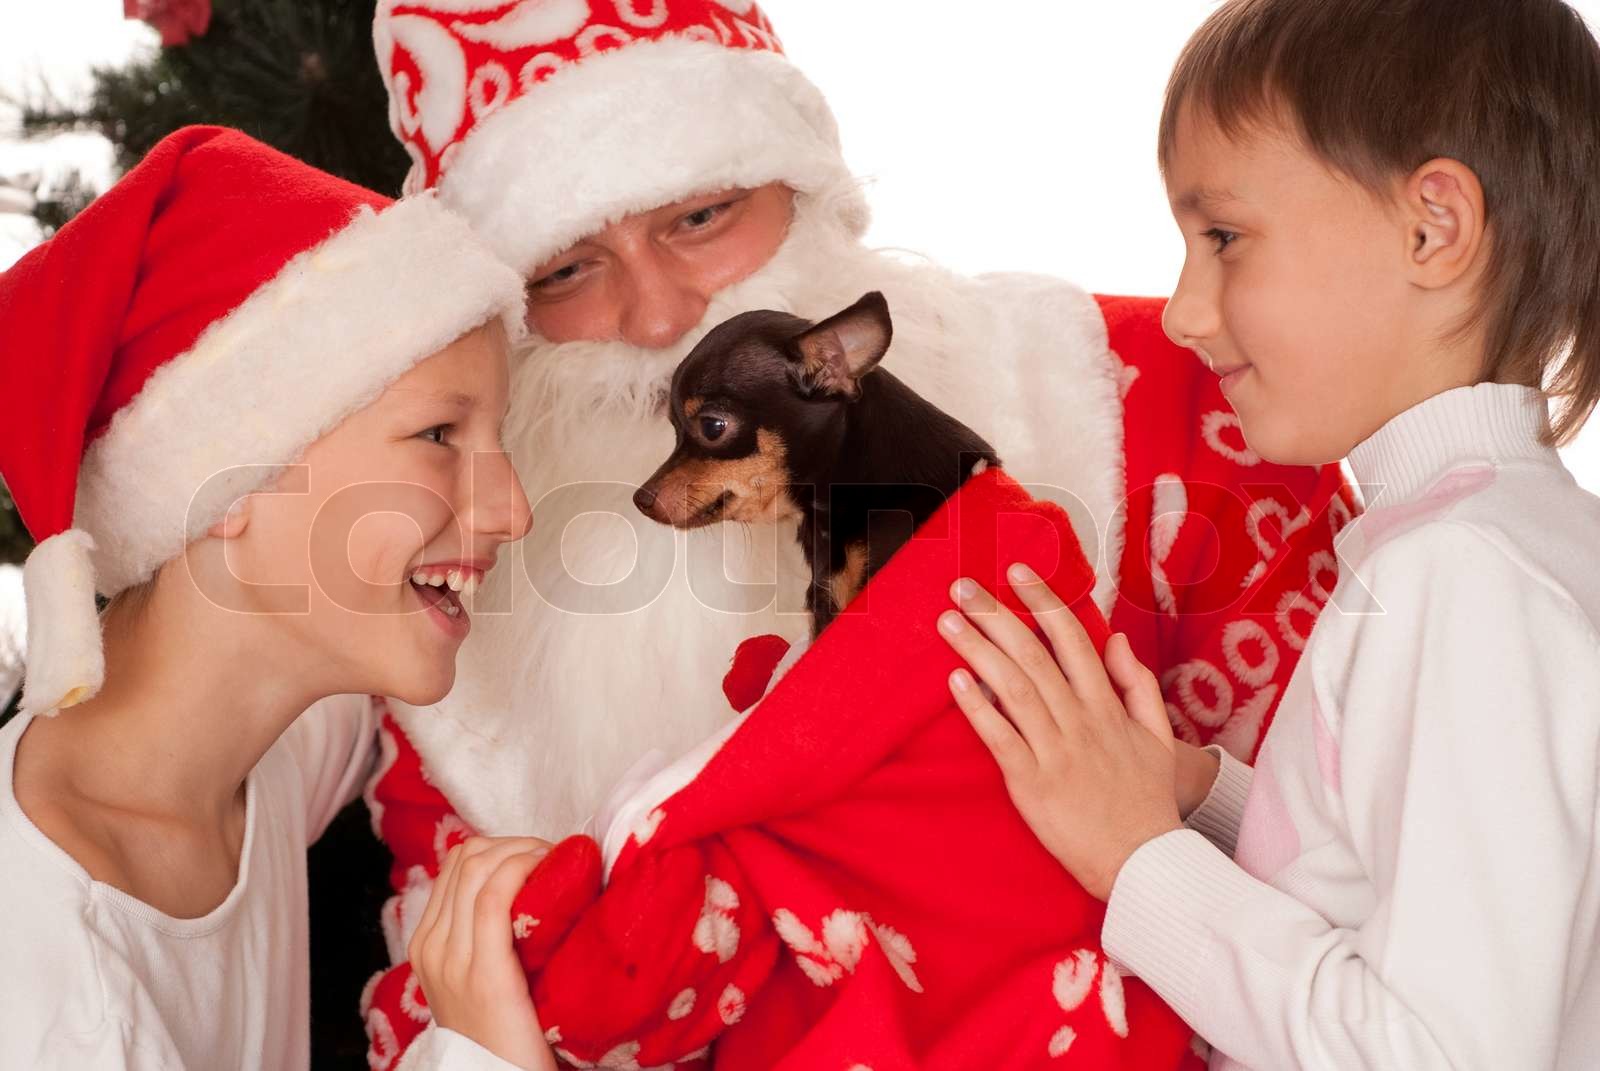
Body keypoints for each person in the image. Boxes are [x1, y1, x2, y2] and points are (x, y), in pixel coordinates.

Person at [358, 9, 1355, 1029]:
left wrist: (1165, 812)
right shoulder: (447, 617)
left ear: (803, 185)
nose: (659, 320)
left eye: (701, 217)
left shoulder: (1173, 402)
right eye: (564, 271)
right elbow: (438, 1011)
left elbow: (1389, 890)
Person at [938, 0, 1600, 1067]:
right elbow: (1404, 876)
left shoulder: (1459, 573)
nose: (1187, 310)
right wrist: (1203, 795)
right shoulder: (1518, 542)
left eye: (1224, 239)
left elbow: (1437, 1051)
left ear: (1433, 229)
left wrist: (1135, 856)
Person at [0, 125, 549, 1070]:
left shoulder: (257, 740)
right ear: (227, 487)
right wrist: (476, 1052)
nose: (514, 510)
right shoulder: (58, 994)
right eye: (437, 435)